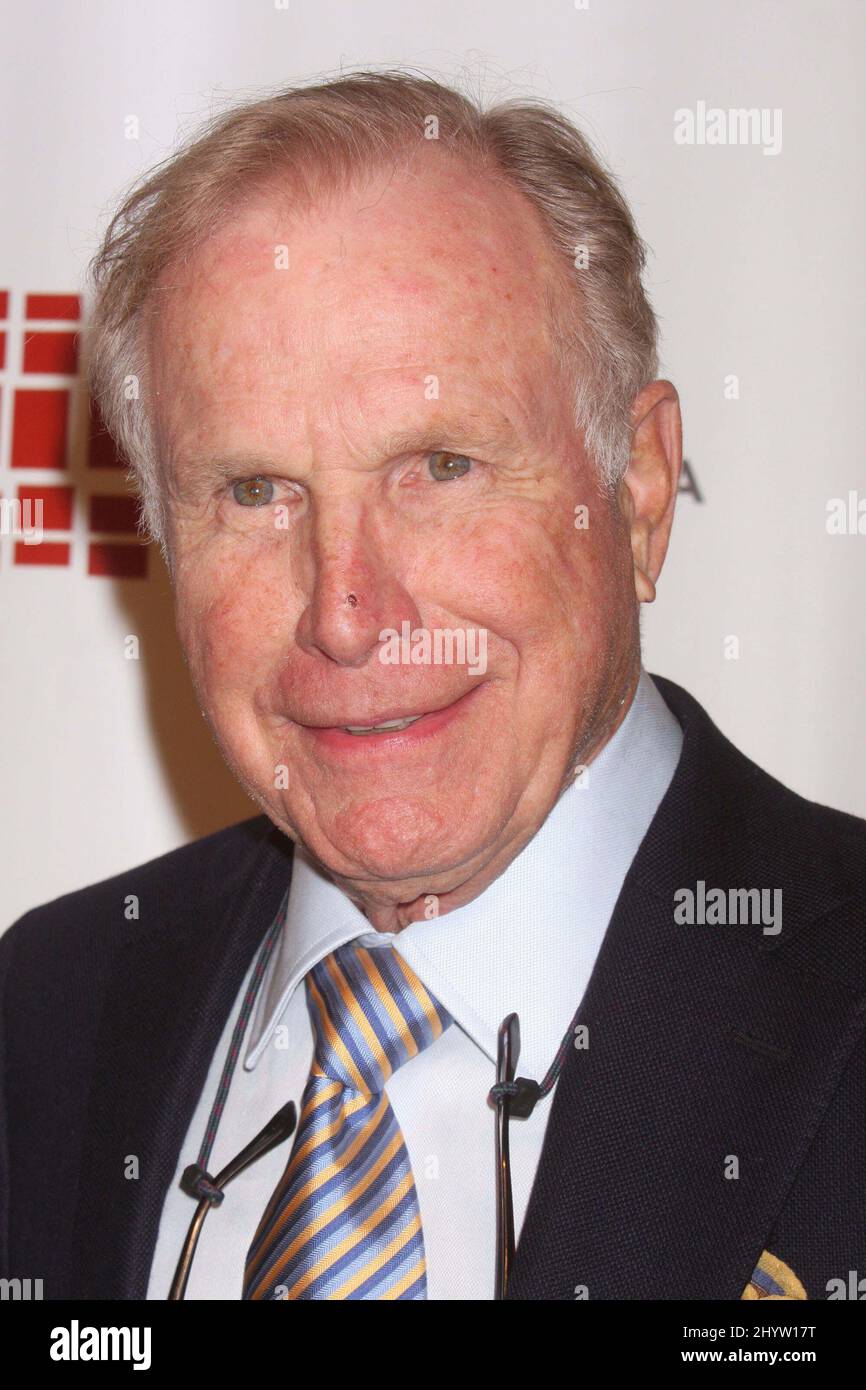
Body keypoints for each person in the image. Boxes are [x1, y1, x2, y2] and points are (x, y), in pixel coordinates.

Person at [1, 71, 864, 1302]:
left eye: (440, 467)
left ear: (637, 491)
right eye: (253, 492)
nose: (347, 614)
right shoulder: (48, 1013)